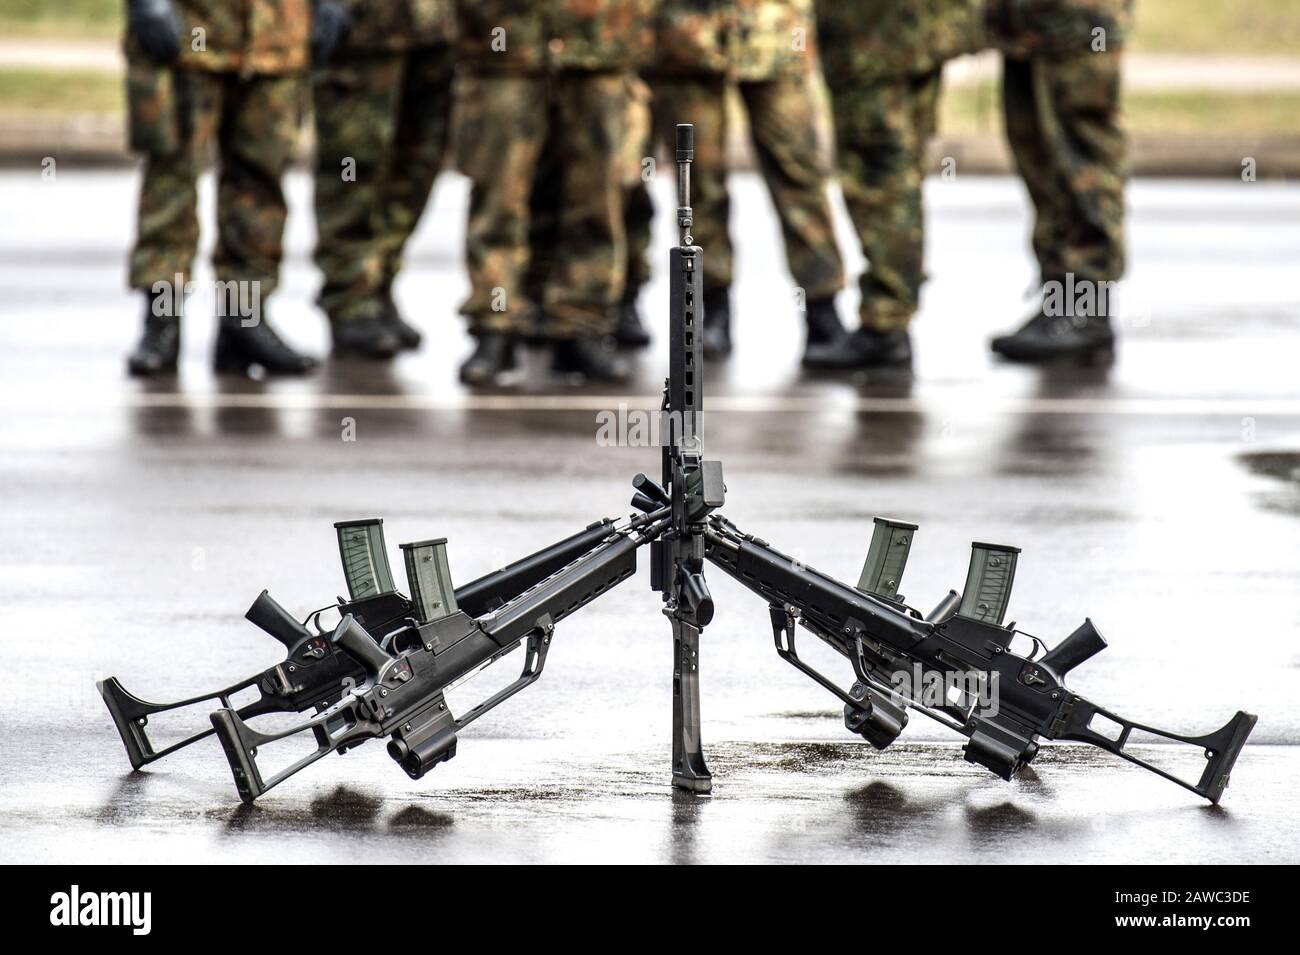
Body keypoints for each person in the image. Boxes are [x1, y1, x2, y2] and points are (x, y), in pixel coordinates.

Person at [627, 0, 849, 360]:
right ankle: (711, 306)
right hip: (684, 38)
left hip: (773, 32)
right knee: (699, 180)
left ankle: (823, 307)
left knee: (798, 175)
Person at [452, 0, 655, 385]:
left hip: (603, 40)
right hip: (507, 43)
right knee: (499, 198)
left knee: (599, 200)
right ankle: (496, 327)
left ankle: (580, 325)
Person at [123, 0, 317, 376]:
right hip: (188, 32)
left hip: (277, 36)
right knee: (172, 180)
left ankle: (242, 319)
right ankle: (163, 321)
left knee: (259, 184)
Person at [804, 0, 983, 372]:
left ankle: (887, 323)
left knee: (879, 172)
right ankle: (891, 315)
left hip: (873, 37)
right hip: (921, 28)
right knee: (899, 163)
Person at [311, 0, 457, 360]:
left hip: (440, 26)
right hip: (361, 27)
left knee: (417, 165)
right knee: (352, 166)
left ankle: (379, 281)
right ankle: (349, 297)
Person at [987, 0, 1132, 363]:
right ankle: (1060, 299)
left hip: (1079, 17)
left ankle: (1086, 306)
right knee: (1037, 149)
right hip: (1026, 20)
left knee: (1081, 149)